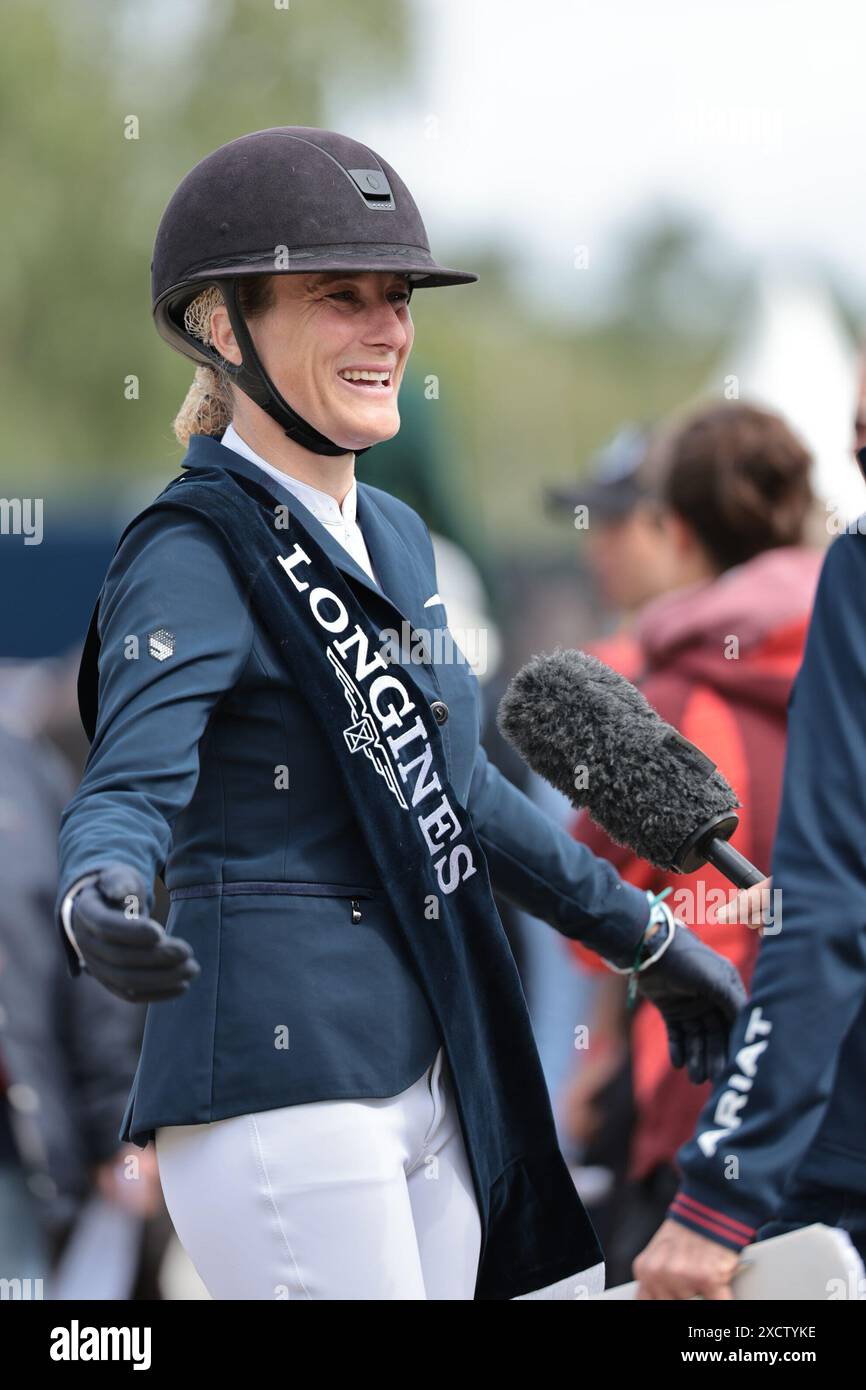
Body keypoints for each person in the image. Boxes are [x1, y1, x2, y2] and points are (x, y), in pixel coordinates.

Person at [55, 127, 744, 1302]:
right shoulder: (189, 550)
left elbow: (458, 794)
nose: (386, 329)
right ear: (223, 326)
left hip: (434, 1069)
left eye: (396, 298)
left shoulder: (397, 539)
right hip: (278, 1083)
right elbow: (127, 786)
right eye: (340, 297)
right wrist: (98, 890)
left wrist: (648, 937)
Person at [558, 401, 823, 1285]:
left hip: (699, 1107)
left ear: (673, 528)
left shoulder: (660, 696)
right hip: (830, 1095)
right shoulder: (846, 657)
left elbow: (583, 900)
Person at [634, 432, 866, 1299]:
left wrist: (719, 1194)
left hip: (781, 1134)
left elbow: (827, 913)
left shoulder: (857, 572)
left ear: (676, 531)